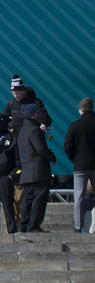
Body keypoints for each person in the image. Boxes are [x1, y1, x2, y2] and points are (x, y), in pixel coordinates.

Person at [17, 103, 55, 233]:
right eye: (39, 113)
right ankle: (34, 225)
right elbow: (41, 148)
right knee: (39, 198)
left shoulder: (22, 130)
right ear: (33, 114)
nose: (41, 115)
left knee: (28, 199)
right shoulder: (34, 129)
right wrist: (52, 158)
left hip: (27, 171)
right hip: (38, 171)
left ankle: (23, 224)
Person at [63, 97, 95, 233]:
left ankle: (78, 226)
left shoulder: (75, 125)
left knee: (79, 197)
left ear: (81, 110)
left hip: (80, 166)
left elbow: (68, 146)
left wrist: (75, 159)